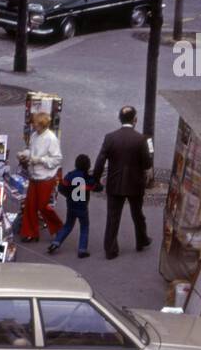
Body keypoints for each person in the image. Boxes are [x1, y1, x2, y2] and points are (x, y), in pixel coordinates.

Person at [92, 105, 153, 259]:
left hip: (115, 182)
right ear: (135, 120)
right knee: (137, 213)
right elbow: (146, 164)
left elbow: (100, 160)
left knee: (113, 217)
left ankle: (111, 250)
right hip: (135, 183)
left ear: (119, 119)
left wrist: (96, 180)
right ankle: (141, 239)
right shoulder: (141, 139)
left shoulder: (110, 137)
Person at [17, 112, 63, 243]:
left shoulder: (51, 138)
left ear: (42, 124)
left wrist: (40, 160)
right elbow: (30, 150)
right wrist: (24, 154)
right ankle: (30, 233)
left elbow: (57, 159)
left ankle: (58, 226)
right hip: (34, 175)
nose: (33, 125)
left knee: (42, 206)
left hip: (46, 177)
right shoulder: (34, 135)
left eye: (35, 123)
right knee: (30, 205)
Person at [49, 154, 97, 258]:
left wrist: (68, 195)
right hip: (82, 207)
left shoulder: (70, 176)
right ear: (88, 166)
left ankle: (56, 243)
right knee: (84, 227)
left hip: (71, 205)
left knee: (68, 225)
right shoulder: (87, 178)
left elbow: (61, 188)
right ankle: (82, 249)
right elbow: (95, 187)